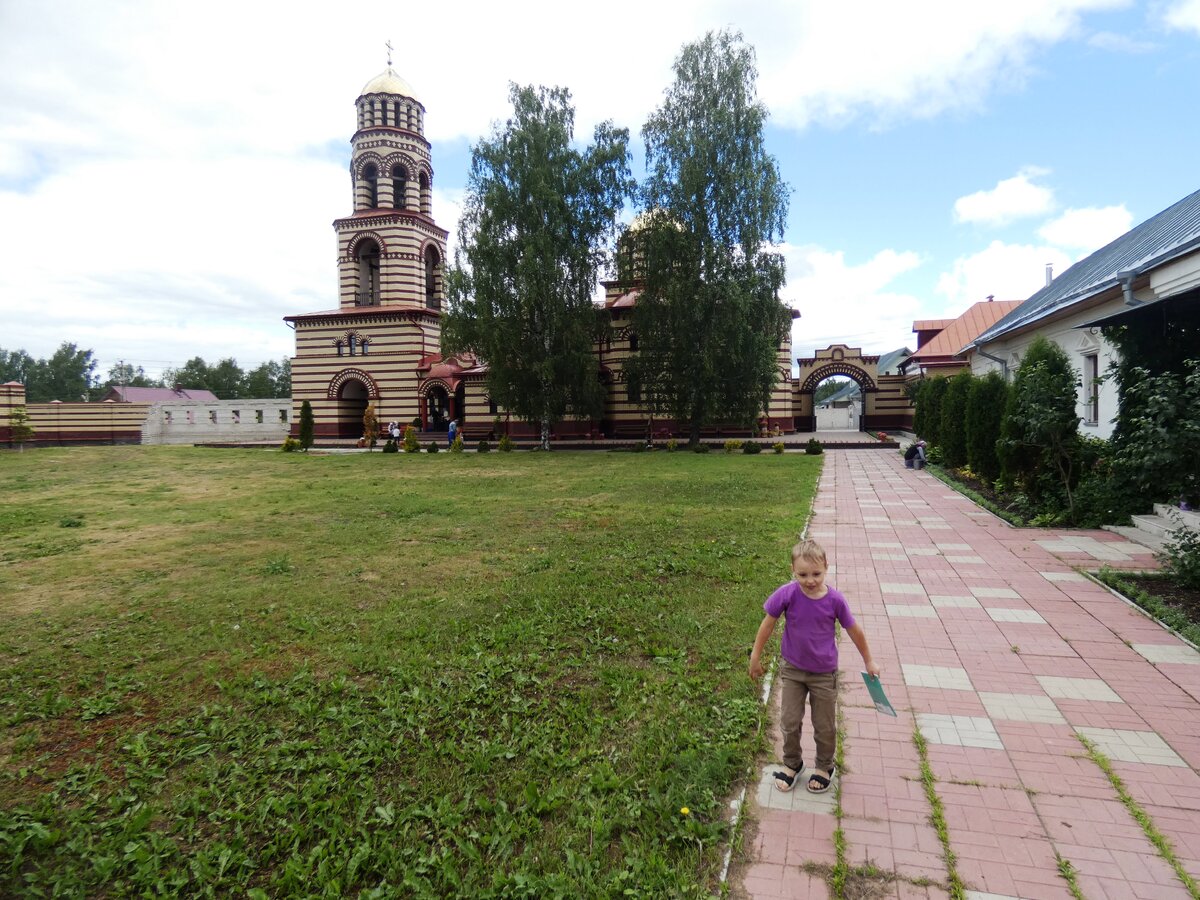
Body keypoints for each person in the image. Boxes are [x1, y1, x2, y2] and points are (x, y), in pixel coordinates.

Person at [749, 538, 879, 794]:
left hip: (823, 673)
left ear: (826, 567)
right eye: (803, 574)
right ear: (792, 570)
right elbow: (768, 624)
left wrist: (869, 660)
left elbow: (854, 630)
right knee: (789, 719)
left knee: (824, 724)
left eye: (816, 574)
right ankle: (792, 763)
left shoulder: (835, 601)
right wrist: (755, 656)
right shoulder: (787, 593)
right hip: (793, 670)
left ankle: (824, 766)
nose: (810, 580)